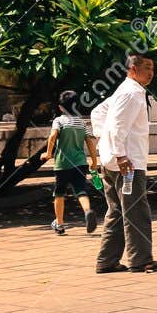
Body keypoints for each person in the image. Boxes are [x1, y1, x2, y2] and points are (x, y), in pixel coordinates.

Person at [94, 53, 157, 274]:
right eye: (146, 67)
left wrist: (105, 144)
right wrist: (120, 154)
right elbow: (117, 125)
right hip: (128, 163)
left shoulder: (125, 91)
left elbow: (98, 113)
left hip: (114, 161)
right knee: (136, 211)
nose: (151, 72)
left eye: (152, 68)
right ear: (132, 69)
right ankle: (141, 260)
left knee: (116, 211)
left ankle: (107, 260)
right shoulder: (132, 92)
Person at [44, 90, 103, 235]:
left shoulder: (59, 121)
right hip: (80, 163)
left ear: (60, 107)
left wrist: (48, 153)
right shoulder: (82, 123)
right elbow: (90, 143)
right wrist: (94, 162)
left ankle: (59, 224)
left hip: (62, 164)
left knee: (59, 194)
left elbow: (52, 136)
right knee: (80, 190)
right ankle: (88, 211)